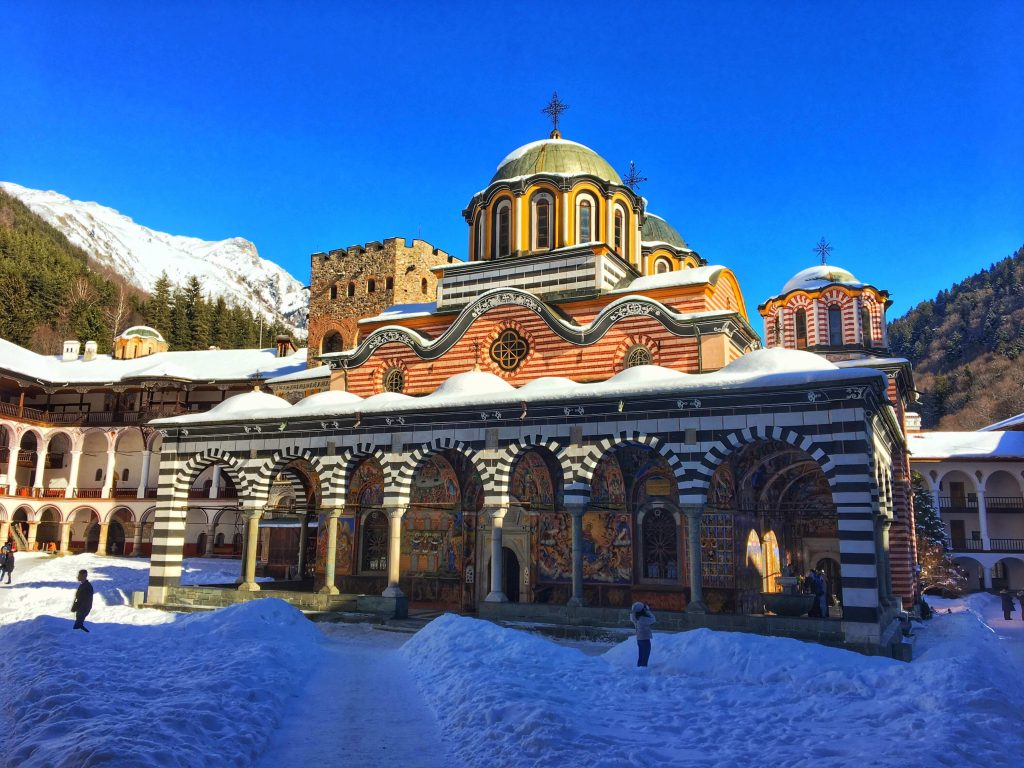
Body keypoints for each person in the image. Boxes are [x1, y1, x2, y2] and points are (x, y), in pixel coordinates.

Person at [630, 601, 656, 667]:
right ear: (642, 610)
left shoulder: (634, 617)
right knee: (645, 656)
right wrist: (647, 610)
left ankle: (639, 669)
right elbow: (653, 619)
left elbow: (633, 612)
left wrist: (636, 610)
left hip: (639, 639)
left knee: (641, 656)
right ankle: (642, 670)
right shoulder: (643, 619)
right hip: (645, 639)